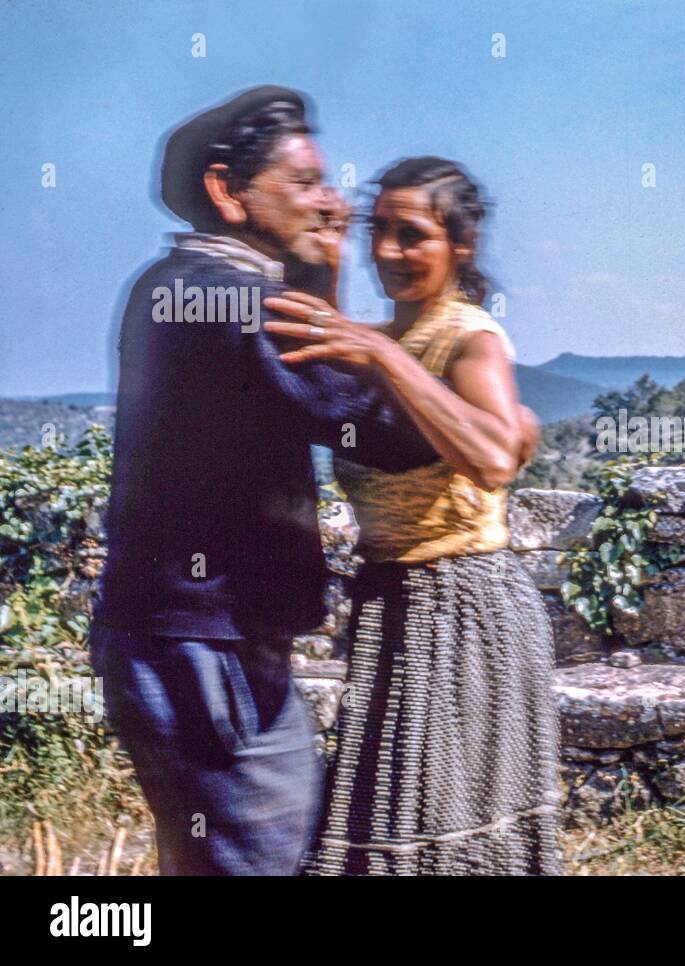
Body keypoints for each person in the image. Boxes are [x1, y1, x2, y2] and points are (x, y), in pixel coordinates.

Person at [90, 87, 439, 875]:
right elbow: (385, 432)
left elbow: (312, 385)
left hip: (178, 637)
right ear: (227, 191)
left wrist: (316, 283)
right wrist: (426, 369)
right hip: (209, 651)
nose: (331, 203)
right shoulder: (237, 302)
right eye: (306, 182)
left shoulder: (177, 284)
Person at [263, 156, 559, 875]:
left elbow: (494, 457)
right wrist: (324, 256)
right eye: (379, 231)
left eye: (413, 235)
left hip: (464, 607)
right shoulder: (376, 341)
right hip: (392, 604)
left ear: (461, 244)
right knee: (385, 822)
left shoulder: (468, 338)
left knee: (436, 830)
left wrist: (383, 357)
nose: (390, 252)